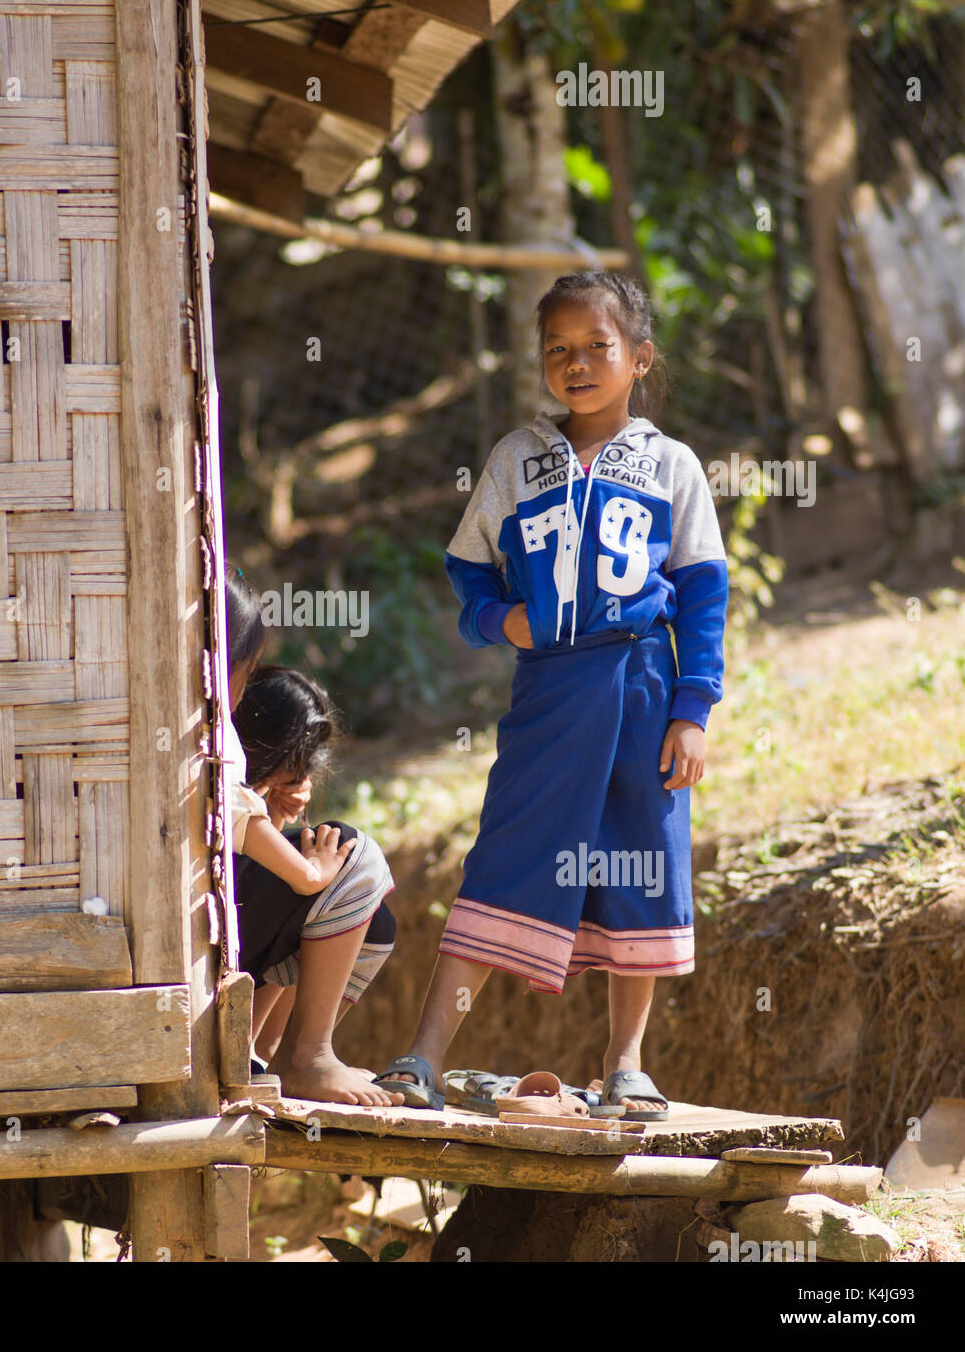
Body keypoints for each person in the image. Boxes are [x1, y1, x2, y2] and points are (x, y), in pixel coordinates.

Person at [377, 271, 728, 1118]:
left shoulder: (671, 466)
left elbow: (705, 591)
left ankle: (626, 1066)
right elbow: (468, 569)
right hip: (549, 695)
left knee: (640, 864)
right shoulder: (515, 461)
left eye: (597, 347)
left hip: (643, 688)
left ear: (640, 358)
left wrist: (692, 710)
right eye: (557, 350)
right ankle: (422, 1059)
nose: (577, 363)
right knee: (505, 856)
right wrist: (503, 624)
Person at [222, 570, 403, 1107]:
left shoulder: (218, 743)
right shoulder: (216, 753)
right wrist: (319, 870)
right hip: (215, 936)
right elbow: (302, 876)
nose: (300, 789)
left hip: (240, 936)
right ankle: (308, 1057)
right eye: (243, 667)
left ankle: (271, 1053)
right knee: (351, 853)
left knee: (371, 918)